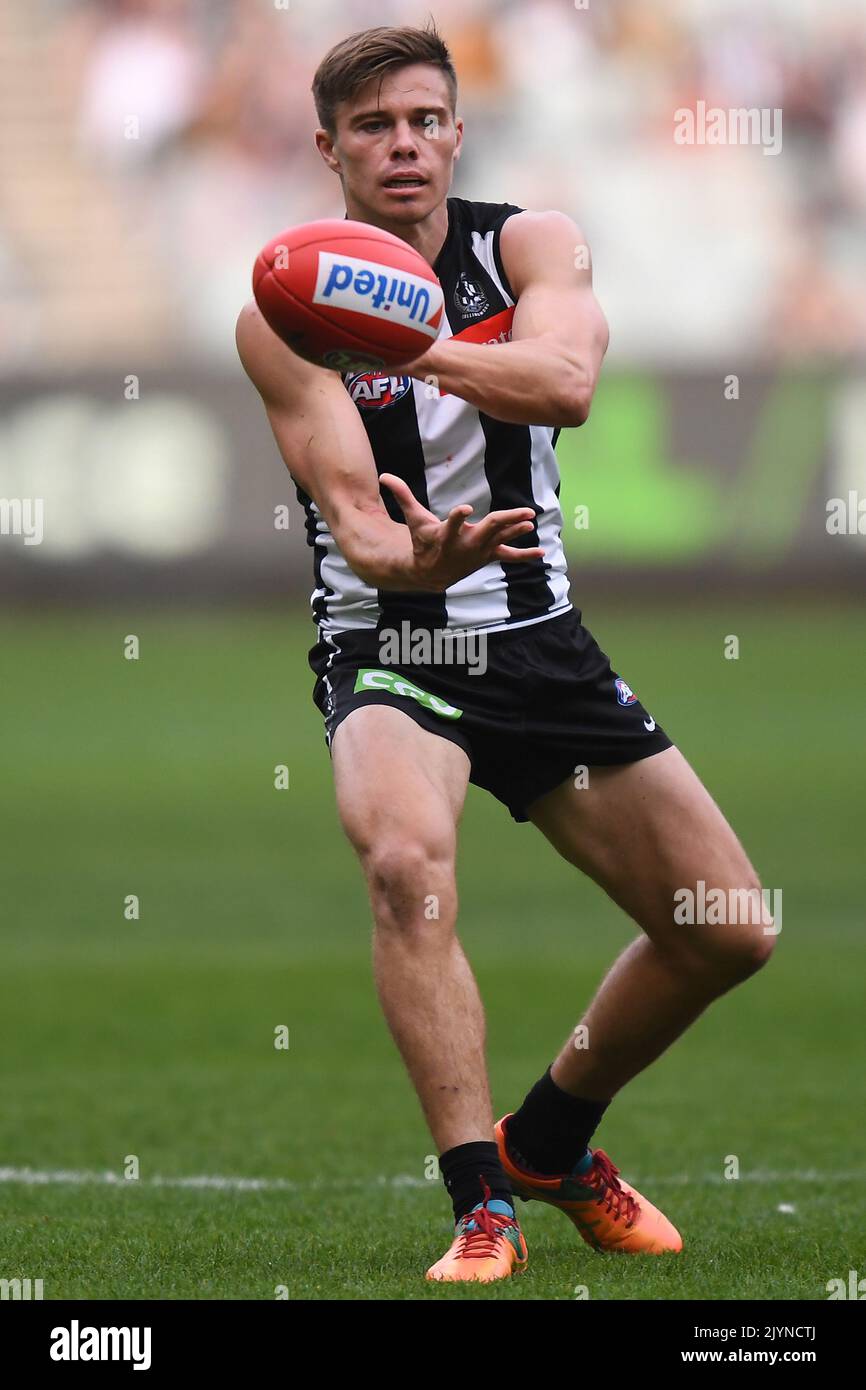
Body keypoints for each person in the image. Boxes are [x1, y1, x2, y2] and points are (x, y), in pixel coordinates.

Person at [236, 22, 775, 1284]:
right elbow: (356, 526)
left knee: (726, 929)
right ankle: (482, 1204)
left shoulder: (527, 242)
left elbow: (565, 382)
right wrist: (407, 563)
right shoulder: (280, 315)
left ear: (457, 134)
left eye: (424, 119)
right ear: (329, 149)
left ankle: (544, 1139)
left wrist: (409, 345)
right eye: (372, 126)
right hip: (389, 643)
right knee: (402, 861)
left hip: (535, 642)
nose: (403, 143)